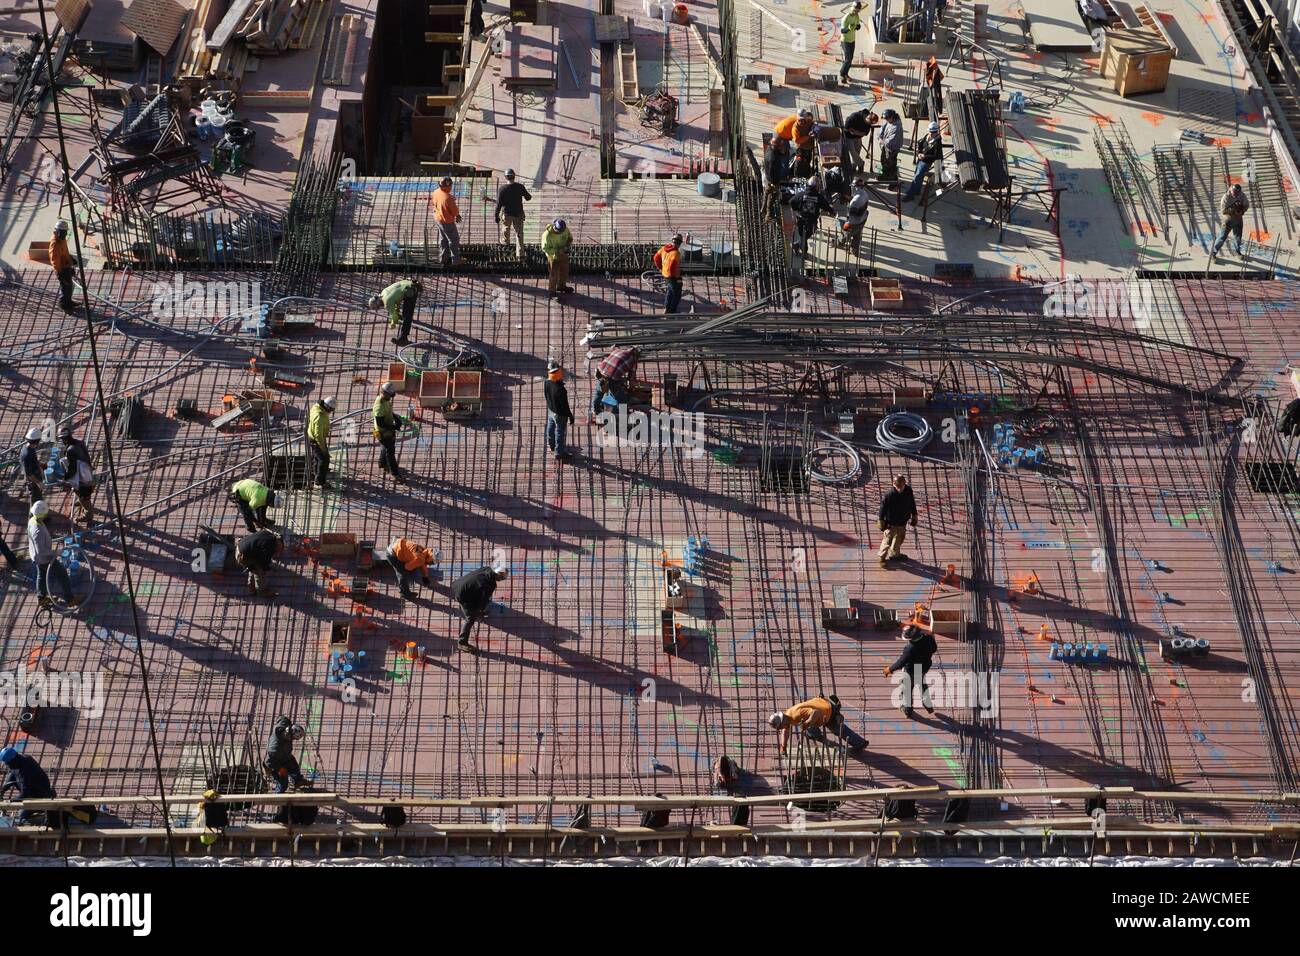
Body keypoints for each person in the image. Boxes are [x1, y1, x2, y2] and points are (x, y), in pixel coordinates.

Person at [768, 695, 868, 755]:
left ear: (782, 720)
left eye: (780, 726)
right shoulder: (787, 716)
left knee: (839, 730)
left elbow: (816, 713)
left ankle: (860, 743)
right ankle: (814, 733)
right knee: (809, 728)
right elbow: (785, 731)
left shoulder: (795, 714)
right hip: (820, 704)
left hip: (828, 711)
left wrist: (807, 723)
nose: (782, 728)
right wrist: (783, 746)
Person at [27, 501, 75, 608]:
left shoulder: (32, 520)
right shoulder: (38, 530)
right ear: (43, 515)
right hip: (44, 558)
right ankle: (70, 599)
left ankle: (41, 598)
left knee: (42, 576)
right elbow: (41, 551)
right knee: (63, 575)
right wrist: (56, 552)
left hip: (36, 556)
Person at [884, 623, 937, 717]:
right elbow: (934, 649)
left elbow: (901, 662)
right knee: (921, 684)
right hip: (923, 668)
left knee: (907, 690)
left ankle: (907, 710)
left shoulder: (910, 648)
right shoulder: (929, 639)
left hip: (911, 671)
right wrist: (932, 637)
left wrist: (890, 669)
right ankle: (928, 705)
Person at [450, 565, 508, 649]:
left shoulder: (487, 568)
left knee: (482, 595)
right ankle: (462, 642)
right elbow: (483, 600)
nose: (502, 579)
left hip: (457, 585)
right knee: (470, 618)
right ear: (498, 576)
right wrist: (479, 610)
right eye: (502, 577)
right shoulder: (490, 584)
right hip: (461, 595)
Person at [0, 747, 55, 825]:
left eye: (8, 763)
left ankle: (43, 820)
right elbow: (12, 774)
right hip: (35, 793)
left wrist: (9, 802)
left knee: (21, 816)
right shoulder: (20, 760)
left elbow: (24, 794)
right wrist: (3, 789)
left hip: (40, 797)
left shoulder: (24, 770)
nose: (7, 765)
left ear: (13, 759)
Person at [878, 474, 918, 567]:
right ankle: (881, 557)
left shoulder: (908, 491)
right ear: (893, 484)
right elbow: (882, 508)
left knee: (899, 539)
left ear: (905, 484)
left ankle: (895, 554)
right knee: (887, 541)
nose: (900, 489)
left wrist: (914, 515)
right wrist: (881, 520)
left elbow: (912, 503)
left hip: (902, 522)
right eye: (897, 487)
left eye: (902, 486)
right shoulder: (889, 495)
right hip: (891, 524)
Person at [589, 345, 640, 419]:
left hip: (600, 372)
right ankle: (624, 415)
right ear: (636, 355)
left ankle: (595, 410)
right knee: (621, 398)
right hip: (611, 378)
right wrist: (630, 388)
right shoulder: (633, 360)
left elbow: (613, 350)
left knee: (599, 393)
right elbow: (631, 378)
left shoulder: (618, 350)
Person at [789, 176, 834, 257]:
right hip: (810, 221)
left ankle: (797, 245)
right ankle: (803, 252)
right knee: (804, 237)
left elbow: (791, 202)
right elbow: (826, 206)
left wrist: (794, 214)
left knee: (803, 236)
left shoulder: (801, 195)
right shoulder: (819, 197)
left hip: (801, 220)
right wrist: (832, 211)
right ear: (816, 187)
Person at [369, 278, 422, 346]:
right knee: (405, 315)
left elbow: (395, 317)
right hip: (410, 283)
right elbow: (396, 300)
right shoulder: (383, 292)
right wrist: (397, 312)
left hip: (410, 291)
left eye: (378, 307)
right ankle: (403, 334)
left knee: (407, 316)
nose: (380, 307)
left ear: (378, 304)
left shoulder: (387, 303)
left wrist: (392, 324)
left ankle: (403, 338)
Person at [58, 426, 94, 523]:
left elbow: (72, 469)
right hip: (86, 470)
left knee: (84, 495)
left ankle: (88, 514)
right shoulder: (80, 442)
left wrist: (65, 477)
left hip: (82, 477)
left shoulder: (70, 450)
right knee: (81, 492)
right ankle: (82, 501)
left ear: (64, 438)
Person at [495, 168, 532, 259]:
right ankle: (520, 254)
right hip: (518, 214)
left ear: (506, 177)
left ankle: (505, 243)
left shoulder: (502, 189)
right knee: (519, 234)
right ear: (514, 176)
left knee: (505, 229)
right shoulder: (520, 187)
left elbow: (498, 204)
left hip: (507, 214)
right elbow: (528, 198)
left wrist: (496, 215)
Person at [263, 717, 307, 793]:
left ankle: (298, 780)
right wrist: (269, 769)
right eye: (293, 738)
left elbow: (283, 719)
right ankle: (277, 796)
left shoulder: (285, 728)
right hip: (276, 765)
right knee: (283, 783)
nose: (292, 740)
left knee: (294, 766)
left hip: (284, 757)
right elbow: (271, 760)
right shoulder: (275, 748)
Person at [373, 381, 406, 481]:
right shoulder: (379, 406)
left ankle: (382, 463)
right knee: (390, 452)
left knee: (386, 448)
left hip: (387, 430)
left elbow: (389, 411)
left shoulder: (385, 400)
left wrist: (396, 418)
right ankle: (395, 474)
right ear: (385, 393)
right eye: (390, 395)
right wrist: (394, 427)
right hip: (383, 433)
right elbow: (381, 424)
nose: (391, 397)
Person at [386, 536, 437, 600]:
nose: (431, 563)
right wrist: (412, 567)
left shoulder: (424, 550)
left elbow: (422, 563)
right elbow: (407, 567)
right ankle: (404, 594)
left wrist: (425, 576)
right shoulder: (420, 559)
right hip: (392, 554)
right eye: (432, 562)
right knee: (402, 573)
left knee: (414, 565)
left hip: (397, 544)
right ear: (431, 558)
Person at [903, 122, 943, 201]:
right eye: (931, 132)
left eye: (933, 132)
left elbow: (937, 155)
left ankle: (910, 194)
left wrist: (925, 156)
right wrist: (919, 153)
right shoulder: (927, 137)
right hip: (920, 159)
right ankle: (917, 191)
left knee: (917, 177)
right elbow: (920, 145)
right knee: (917, 175)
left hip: (926, 162)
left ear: (937, 132)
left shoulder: (937, 143)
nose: (931, 134)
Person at [235, 529, 281, 598]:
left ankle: (251, 588)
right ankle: (262, 591)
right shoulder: (269, 546)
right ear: (278, 544)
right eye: (280, 549)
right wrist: (267, 568)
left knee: (252, 567)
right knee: (259, 571)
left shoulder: (267, 534)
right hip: (243, 557)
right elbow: (263, 564)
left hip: (240, 549)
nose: (278, 552)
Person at [544, 360, 575, 459]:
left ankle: (551, 445)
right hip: (560, 414)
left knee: (550, 428)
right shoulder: (560, 389)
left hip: (551, 410)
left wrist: (550, 406)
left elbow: (546, 395)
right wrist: (570, 415)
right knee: (560, 432)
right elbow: (565, 405)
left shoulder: (547, 382)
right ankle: (559, 452)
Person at [774, 109, 817, 178]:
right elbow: (797, 141)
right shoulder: (795, 128)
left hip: (784, 131)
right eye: (800, 120)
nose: (802, 122)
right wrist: (808, 137)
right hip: (780, 134)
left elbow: (811, 120)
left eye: (804, 119)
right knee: (785, 156)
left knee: (806, 159)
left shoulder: (805, 119)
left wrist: (814, 125)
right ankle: (785, 175)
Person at [430, 177, 462, 266]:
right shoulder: (448, 198)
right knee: (454, 240)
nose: (451, 187)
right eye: (450, 186)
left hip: (438, 218)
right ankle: (456, 261)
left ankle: (443, 258)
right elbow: (454, 210)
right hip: (447, 221)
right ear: (445, 187)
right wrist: (457, 216)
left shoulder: (436, 192)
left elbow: (435, 203)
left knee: (443, 238)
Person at [1212, 183, 1249, 259]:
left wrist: (1242, 211)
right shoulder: (1226, 197)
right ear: (1231, 190)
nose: (1235, 195)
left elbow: (1246, 205)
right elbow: (1223, 211)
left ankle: (1237, 252)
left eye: (1237, 193)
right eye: (1234, 193)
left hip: (1238, 219)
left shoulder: (1242, 195)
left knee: (1238, 237)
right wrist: (1233, 211)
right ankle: (1213, 253)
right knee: (1222, 237)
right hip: (1228, 220)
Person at [306, 396, 335, 490]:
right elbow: (318, 435)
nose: (331, 412)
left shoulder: (316, 407)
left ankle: (316, 471)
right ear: (328, 408)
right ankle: (320, 481)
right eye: (331, 410)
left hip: (312, 436)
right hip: (316, 440)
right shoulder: (320, 417)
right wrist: (323, 448)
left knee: (317, 457)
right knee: (324, 459)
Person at [652, 233, 684, 314]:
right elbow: (672, 265)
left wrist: (660, 268)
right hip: (673, 276)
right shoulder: (676, 253)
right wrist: (675, 276)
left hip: (666, 274)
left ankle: (666, 308)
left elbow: (656, 257)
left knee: (670, 290)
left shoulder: (664, 248)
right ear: (679, 243)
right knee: (677, 294)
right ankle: (672, 312)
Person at [542, 218, 574, 298]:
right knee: (554, 275)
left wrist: (567, 245)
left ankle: (561, 286)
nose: (561, 232)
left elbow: (570, 238)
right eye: (559, 231)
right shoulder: (547, 235)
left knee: (564, 272)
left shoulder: (565, 230)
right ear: (554, 227)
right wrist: (557, 251)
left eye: (562, 231)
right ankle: (552, 292)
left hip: (563, 255)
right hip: (553, 257)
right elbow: (545, 248)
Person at [49, 220, 76, 311]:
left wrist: (71, 260)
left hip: (66, 266)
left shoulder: (61, 239)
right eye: (63, 232)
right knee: (66, 288)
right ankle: (63, 305)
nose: (65, 234)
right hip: (61, 270)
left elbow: (64, 252)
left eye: (66, 232)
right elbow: (55, 261)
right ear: (57, 231)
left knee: (69, 286)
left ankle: (68, 301)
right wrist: (60, 274)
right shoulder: (55, 244)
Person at [841, 107, 875, 172]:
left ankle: (853, 168)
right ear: (865, 116)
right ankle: (861, 163)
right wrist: (858, 133)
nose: (868, 124)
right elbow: (847, 128)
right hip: (849, 137)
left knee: (857, 153)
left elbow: (865, 133)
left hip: (858, 138)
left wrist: (855, 132)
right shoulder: (854, 117)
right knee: (853, 152)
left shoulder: (869, 121)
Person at [843, 175, 870, 254]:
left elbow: (852, 219)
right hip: (863, 218)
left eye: (853, 187)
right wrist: (850, 199)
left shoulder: (854, 202)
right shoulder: (865, 194)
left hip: (855, 222)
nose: (851, 188)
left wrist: (846, 225)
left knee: (846, 234)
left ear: (855, 187)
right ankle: (854, 249)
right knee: (857, 235)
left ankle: (838, 242)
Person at [839, 2, 863, 83]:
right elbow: (842, 31)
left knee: (850, 58)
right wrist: (849, 28)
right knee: (848, 59)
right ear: (852, 8)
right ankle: (842, 73)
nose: (856, 12)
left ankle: (846, 73)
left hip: (852, 40)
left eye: (858, 11)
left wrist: (857, 26)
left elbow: (858, 26)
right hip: (845, 40)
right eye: (855, 10)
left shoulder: (857, 16)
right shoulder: (846, 17)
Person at [878, 109, 903, 184]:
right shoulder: (889, 121)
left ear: (892, 117)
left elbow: (890, 142)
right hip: (886, 147)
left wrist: (881, 141)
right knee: (884, 161)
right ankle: (885, 176)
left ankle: (893, 182)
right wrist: (880, 135)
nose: (886, 120)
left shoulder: (896, 127)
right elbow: (883, 127)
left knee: (891, 166)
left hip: (892, 149)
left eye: (887, 118)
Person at [20, 425, 45, 504]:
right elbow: (29, 474)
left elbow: (33, 460)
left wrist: (39, 464)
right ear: (36, 441)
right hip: (33, 481)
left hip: (36, 476)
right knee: (35, 501)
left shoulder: (29, 448)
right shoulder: (27, 454)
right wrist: (39, 483)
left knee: (39, 498)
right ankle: (34, 515)